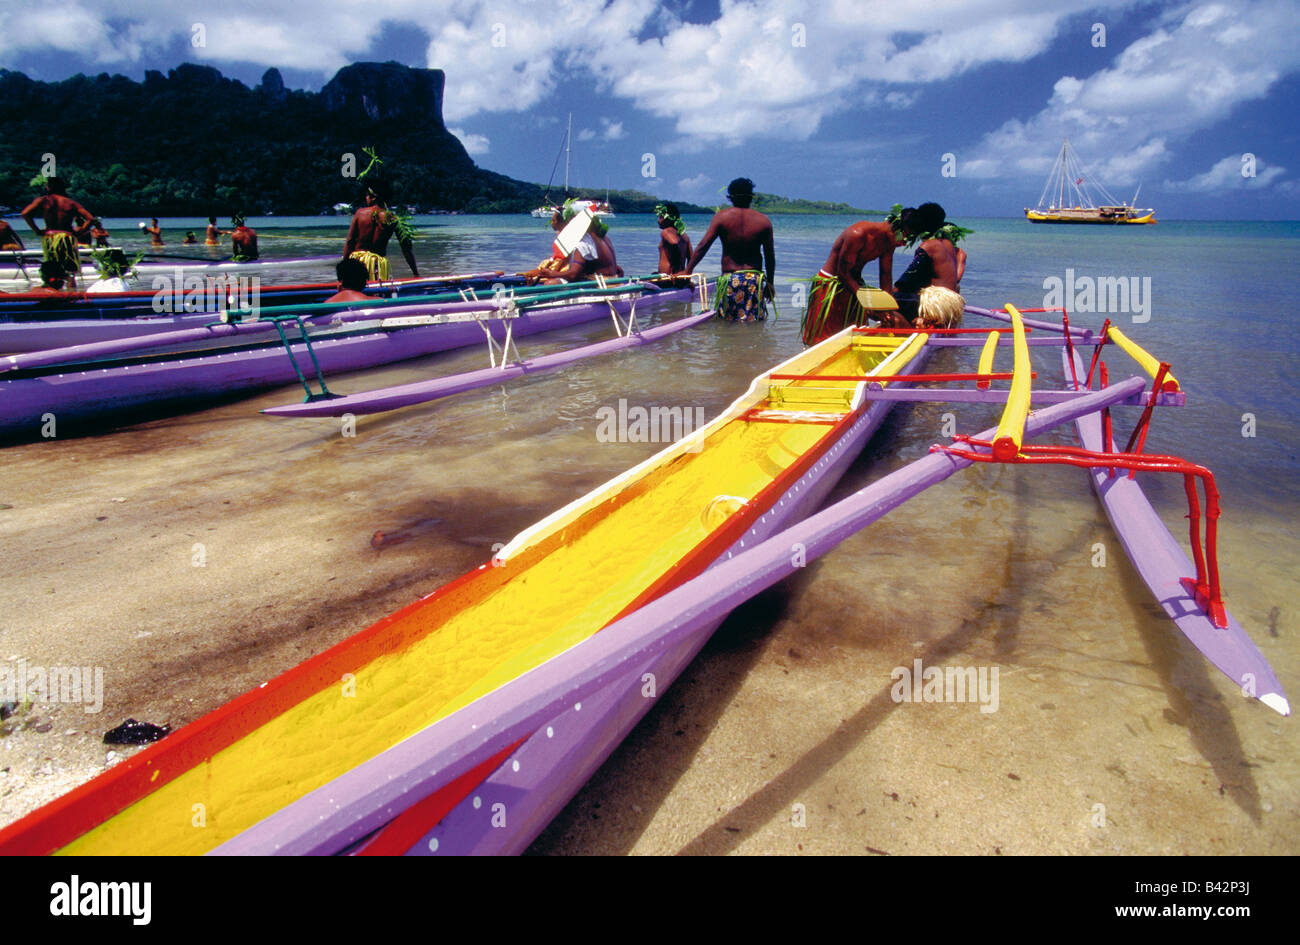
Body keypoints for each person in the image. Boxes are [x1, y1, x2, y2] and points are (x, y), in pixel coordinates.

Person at [800, 210, 910, 345]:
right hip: (832, 284)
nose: (904, 244)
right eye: (905, 238)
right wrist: (865, 300)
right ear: (895, 228)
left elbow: (885, 275)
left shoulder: (889, 241)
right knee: (824, 338)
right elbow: (843, 272)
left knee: (853, 335)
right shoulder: (857, 234)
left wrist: (886, 308)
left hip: (855, 286)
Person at [685, 177, 774, 322]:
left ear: (730, 197)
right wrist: (770, 283)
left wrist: (688, 271)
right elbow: (770, 256)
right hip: (754, 281)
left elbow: (703, 246)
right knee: (753, 324)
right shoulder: (763, 221)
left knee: (726, 324)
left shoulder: (721, 217)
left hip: (730, 280)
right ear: (751, 197)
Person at [888, 202, 969, 329]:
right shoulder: (948, 244)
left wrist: (891, 293)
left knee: (890, 301)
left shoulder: (928, 246)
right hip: (951, 301)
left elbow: (909, 278)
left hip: (936, 304)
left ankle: (907, 328)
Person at [21, 176, 97, 289]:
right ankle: (72, 294)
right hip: (66, 238)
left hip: (50, 237)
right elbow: (91, 219)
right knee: (70, 270)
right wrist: (80, 232)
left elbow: (25, 213)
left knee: (52, 269)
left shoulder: (44, 200)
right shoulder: (70, 203)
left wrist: (37, 230)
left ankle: (54, 292)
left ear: (49, 187)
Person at [342, 176, 418, 280]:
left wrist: (343, 271)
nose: (366, 198)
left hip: (357, 263)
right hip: (377, 266)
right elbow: (406, 249)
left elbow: (350, 242)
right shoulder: (393, 218)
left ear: (373, 197)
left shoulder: (360, 213)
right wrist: (416, 274)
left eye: (367, 195)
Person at [534, 200, 621, 284]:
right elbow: (620, 270)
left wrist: (551, 274)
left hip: (601, 283)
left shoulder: (583, 242)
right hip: (614, 280)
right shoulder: (604, 237)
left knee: (550, 283)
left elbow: (573, 275)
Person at [655, 202, 693, 281]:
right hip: (680, 278)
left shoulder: (666, 232)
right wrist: (688, 277)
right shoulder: (684, 235)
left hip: (667, 278)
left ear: (668, 218)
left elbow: (674, 243)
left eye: (661, 217)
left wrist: (675, 269)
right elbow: (691, 257)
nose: (658, 220)